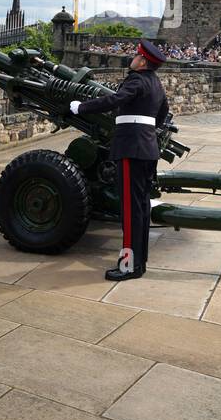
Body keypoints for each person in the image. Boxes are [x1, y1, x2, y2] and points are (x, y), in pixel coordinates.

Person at [69, 39, 170, 281]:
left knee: (129, 210)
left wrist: (81, 108)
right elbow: (163, 113)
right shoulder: (156, 83)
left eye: (136, 55)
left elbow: (114, 100)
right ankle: (139, 263)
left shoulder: (136, 79)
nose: (132, 58)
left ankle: (128, 266)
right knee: (142, 207)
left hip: (131, 150)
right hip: (147, 149)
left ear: (143, 61)